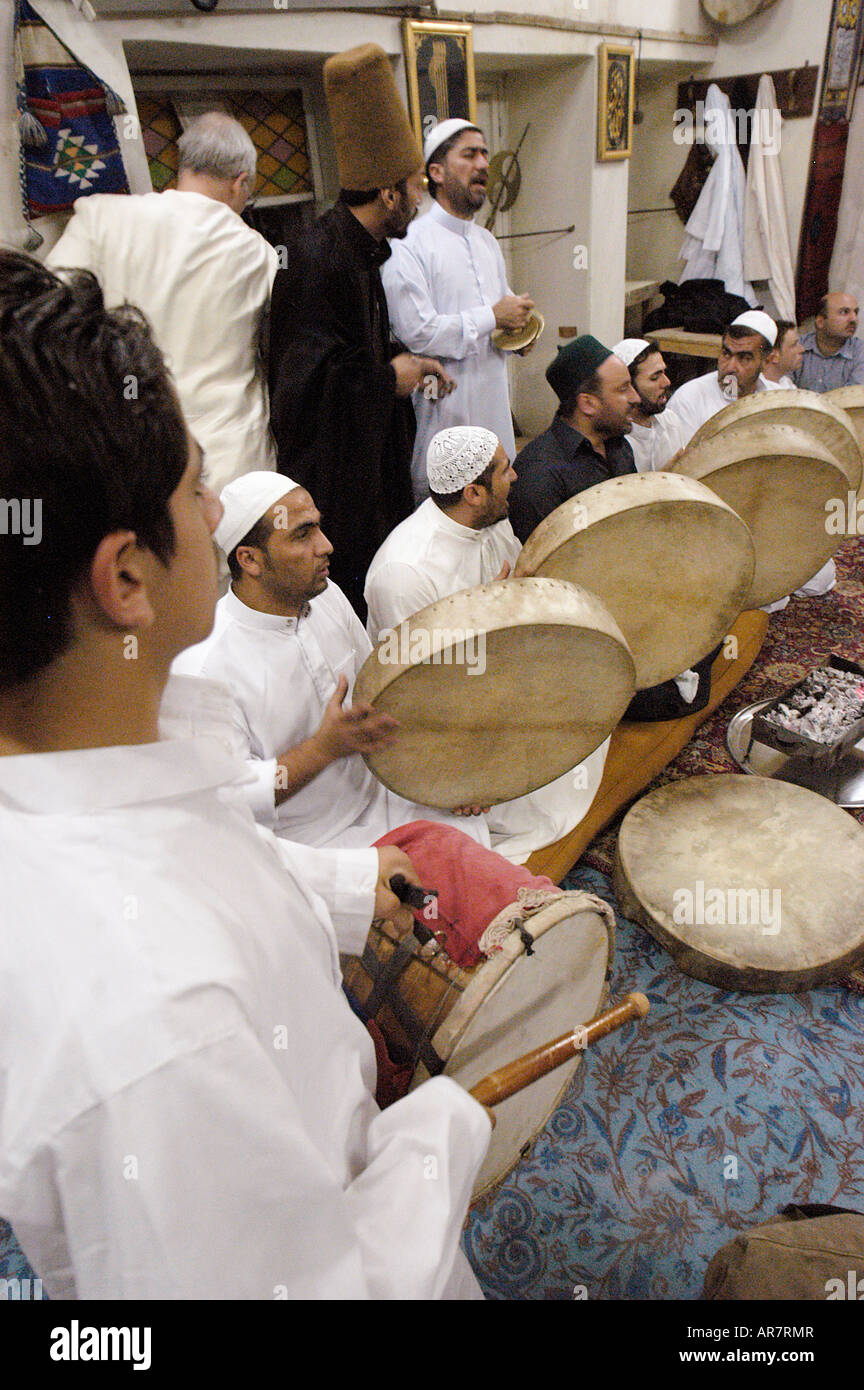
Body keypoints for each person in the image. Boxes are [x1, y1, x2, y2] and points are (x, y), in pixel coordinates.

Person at [0, 250, 492, 1300]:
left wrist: (340, 890)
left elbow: (190, 829)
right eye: (195, 486)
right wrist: (442, 1131)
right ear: (124, 576)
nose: (217, 512)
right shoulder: (155, 1029)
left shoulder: (92, 742)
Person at [173, 471, 491, 850]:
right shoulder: (203, 669)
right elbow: (226, 799)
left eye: (318, 528)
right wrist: (322, 749)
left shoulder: (327, 596)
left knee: (495, 798)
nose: (325, 546)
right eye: (302, 534)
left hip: (384, 796)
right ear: (250, 560)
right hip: (308, 844)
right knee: (453, 869)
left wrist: (438, 768)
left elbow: (379, 696)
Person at [365, 425, 610, 861]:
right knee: (510, 805)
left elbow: (518, 599)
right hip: (435, 720)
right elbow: (418, 692)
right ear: (473, 493)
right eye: (504, 470)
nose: (516, 477)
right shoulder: (404, 572)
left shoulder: (492, 523)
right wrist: (467, 770)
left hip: (495, 677)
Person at [268, 44, 452, 618]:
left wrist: (405, 360)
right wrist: (384, 380)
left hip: (371, 480)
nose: (420, 199)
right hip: (338, 497)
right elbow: (301, 390)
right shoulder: (317, 258)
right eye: (415, 186)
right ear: (390, 192)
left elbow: (354, 349)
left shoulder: (363, 250)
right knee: (344, 616)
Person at [46, 112, 278, 492]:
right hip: (232, 465)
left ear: (182, 166)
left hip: (132, 453)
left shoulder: (102, 217)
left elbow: (42, 319)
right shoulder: (261, 256)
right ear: (241, 184)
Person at [382, 118, 534, 502]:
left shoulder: (485, 242)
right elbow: (417, 331)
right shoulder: (408, 244)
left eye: (484, 153)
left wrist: (520, 331)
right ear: (436, 172)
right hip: (442, 416)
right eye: (469, 154)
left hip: (494, 411)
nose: (483, 163)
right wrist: (494, 317)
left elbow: (499, 317)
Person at [507, 335, 639, 544]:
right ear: (587, 404)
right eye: (623, 389)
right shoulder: (539, 474)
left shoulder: (618, 446)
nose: (635, 398)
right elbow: (540, 564)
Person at [665, 310, 775, 446]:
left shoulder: (777, 400)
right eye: (726, 354)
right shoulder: (689, 399)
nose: (730, 367)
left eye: (744, 358)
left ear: (767, 361)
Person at [612, 338, 690, 472]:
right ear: (628, 386)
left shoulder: (671, 421)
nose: (666, 382)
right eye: (655, 377)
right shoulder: (614, 440)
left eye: (664, 373)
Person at [793, 292, 864, 392]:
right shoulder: (797, 347)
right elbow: (784, 393)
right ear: (820, 322)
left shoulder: (860, 352)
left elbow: (853, 398)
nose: (854, 319)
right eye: (844, 312)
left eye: (856, 312)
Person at [760, 320, 804, 390]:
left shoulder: (786, 382)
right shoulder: (758, 391)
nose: (802, 349)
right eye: (794, 345)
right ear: (774, 356)